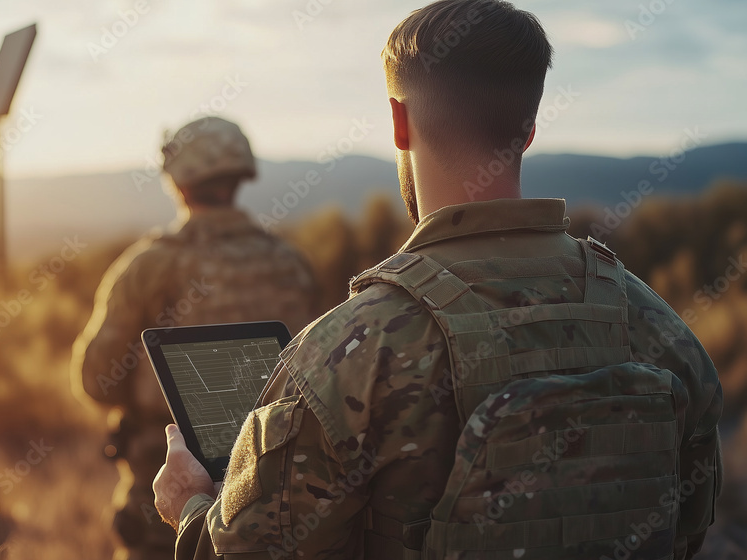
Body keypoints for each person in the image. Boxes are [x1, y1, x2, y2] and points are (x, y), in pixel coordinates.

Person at [152, 1, 723, 559]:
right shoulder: (661, 332)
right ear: (527, 130)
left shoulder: (349, 352)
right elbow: (688, 531)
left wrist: (193, 506)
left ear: (400, 122)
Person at [71, 116, 319, 560]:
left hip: (171, 490)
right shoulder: (291, 264)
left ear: (178, 181)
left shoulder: (150, 266)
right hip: (278, 487)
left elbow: (97, 381)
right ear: (238, 176)